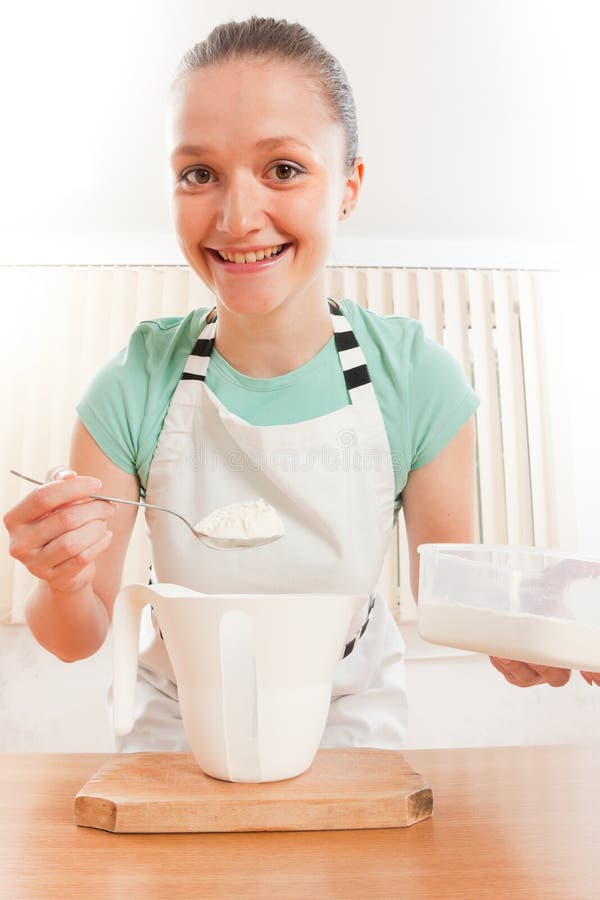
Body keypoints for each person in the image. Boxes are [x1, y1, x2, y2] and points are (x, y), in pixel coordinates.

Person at [4, 17, 597, 753]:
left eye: (283, 168)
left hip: (349, 717)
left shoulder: (417, 379)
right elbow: (74, 637)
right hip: (178, 727)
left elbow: (452, 600)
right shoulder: (134, 383)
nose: (236, 216)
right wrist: (61, 580)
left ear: (348, 187)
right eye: (199, 174)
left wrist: (524, 628)